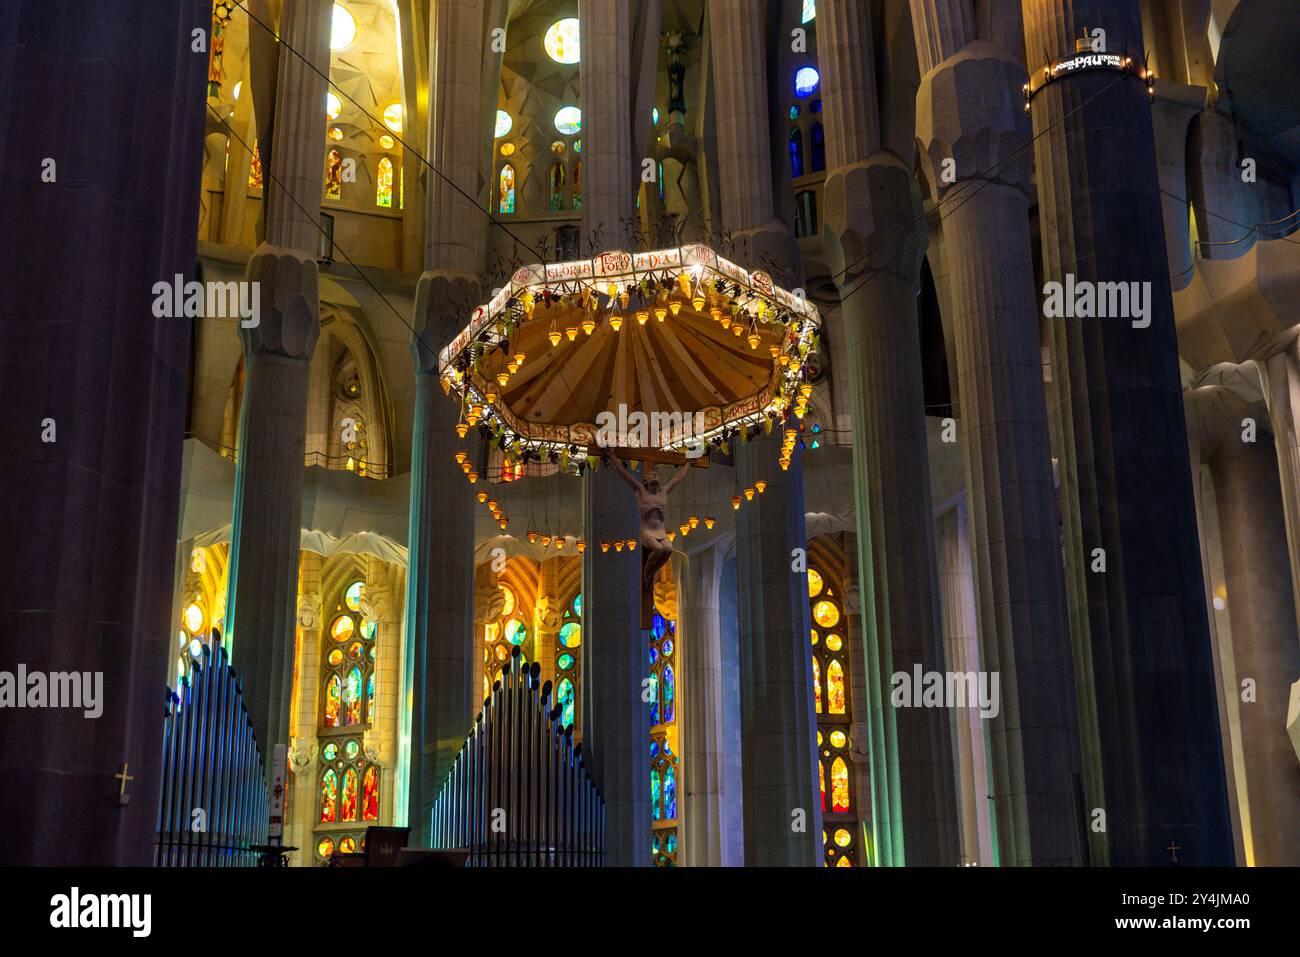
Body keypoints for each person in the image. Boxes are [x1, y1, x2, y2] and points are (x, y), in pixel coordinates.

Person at [603, 449, 690, 600]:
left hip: (661, 531)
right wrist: (612, 456)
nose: (654, 474)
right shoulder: (641, 491)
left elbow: (677, 479)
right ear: (645, 481)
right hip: (647, 531)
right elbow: (625, 474)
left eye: (656, 474)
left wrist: (688, 463)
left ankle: (653, 572)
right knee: (658, 549)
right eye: (651, 474)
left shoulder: (663, 492)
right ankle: (647, 573)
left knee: (668, 550)